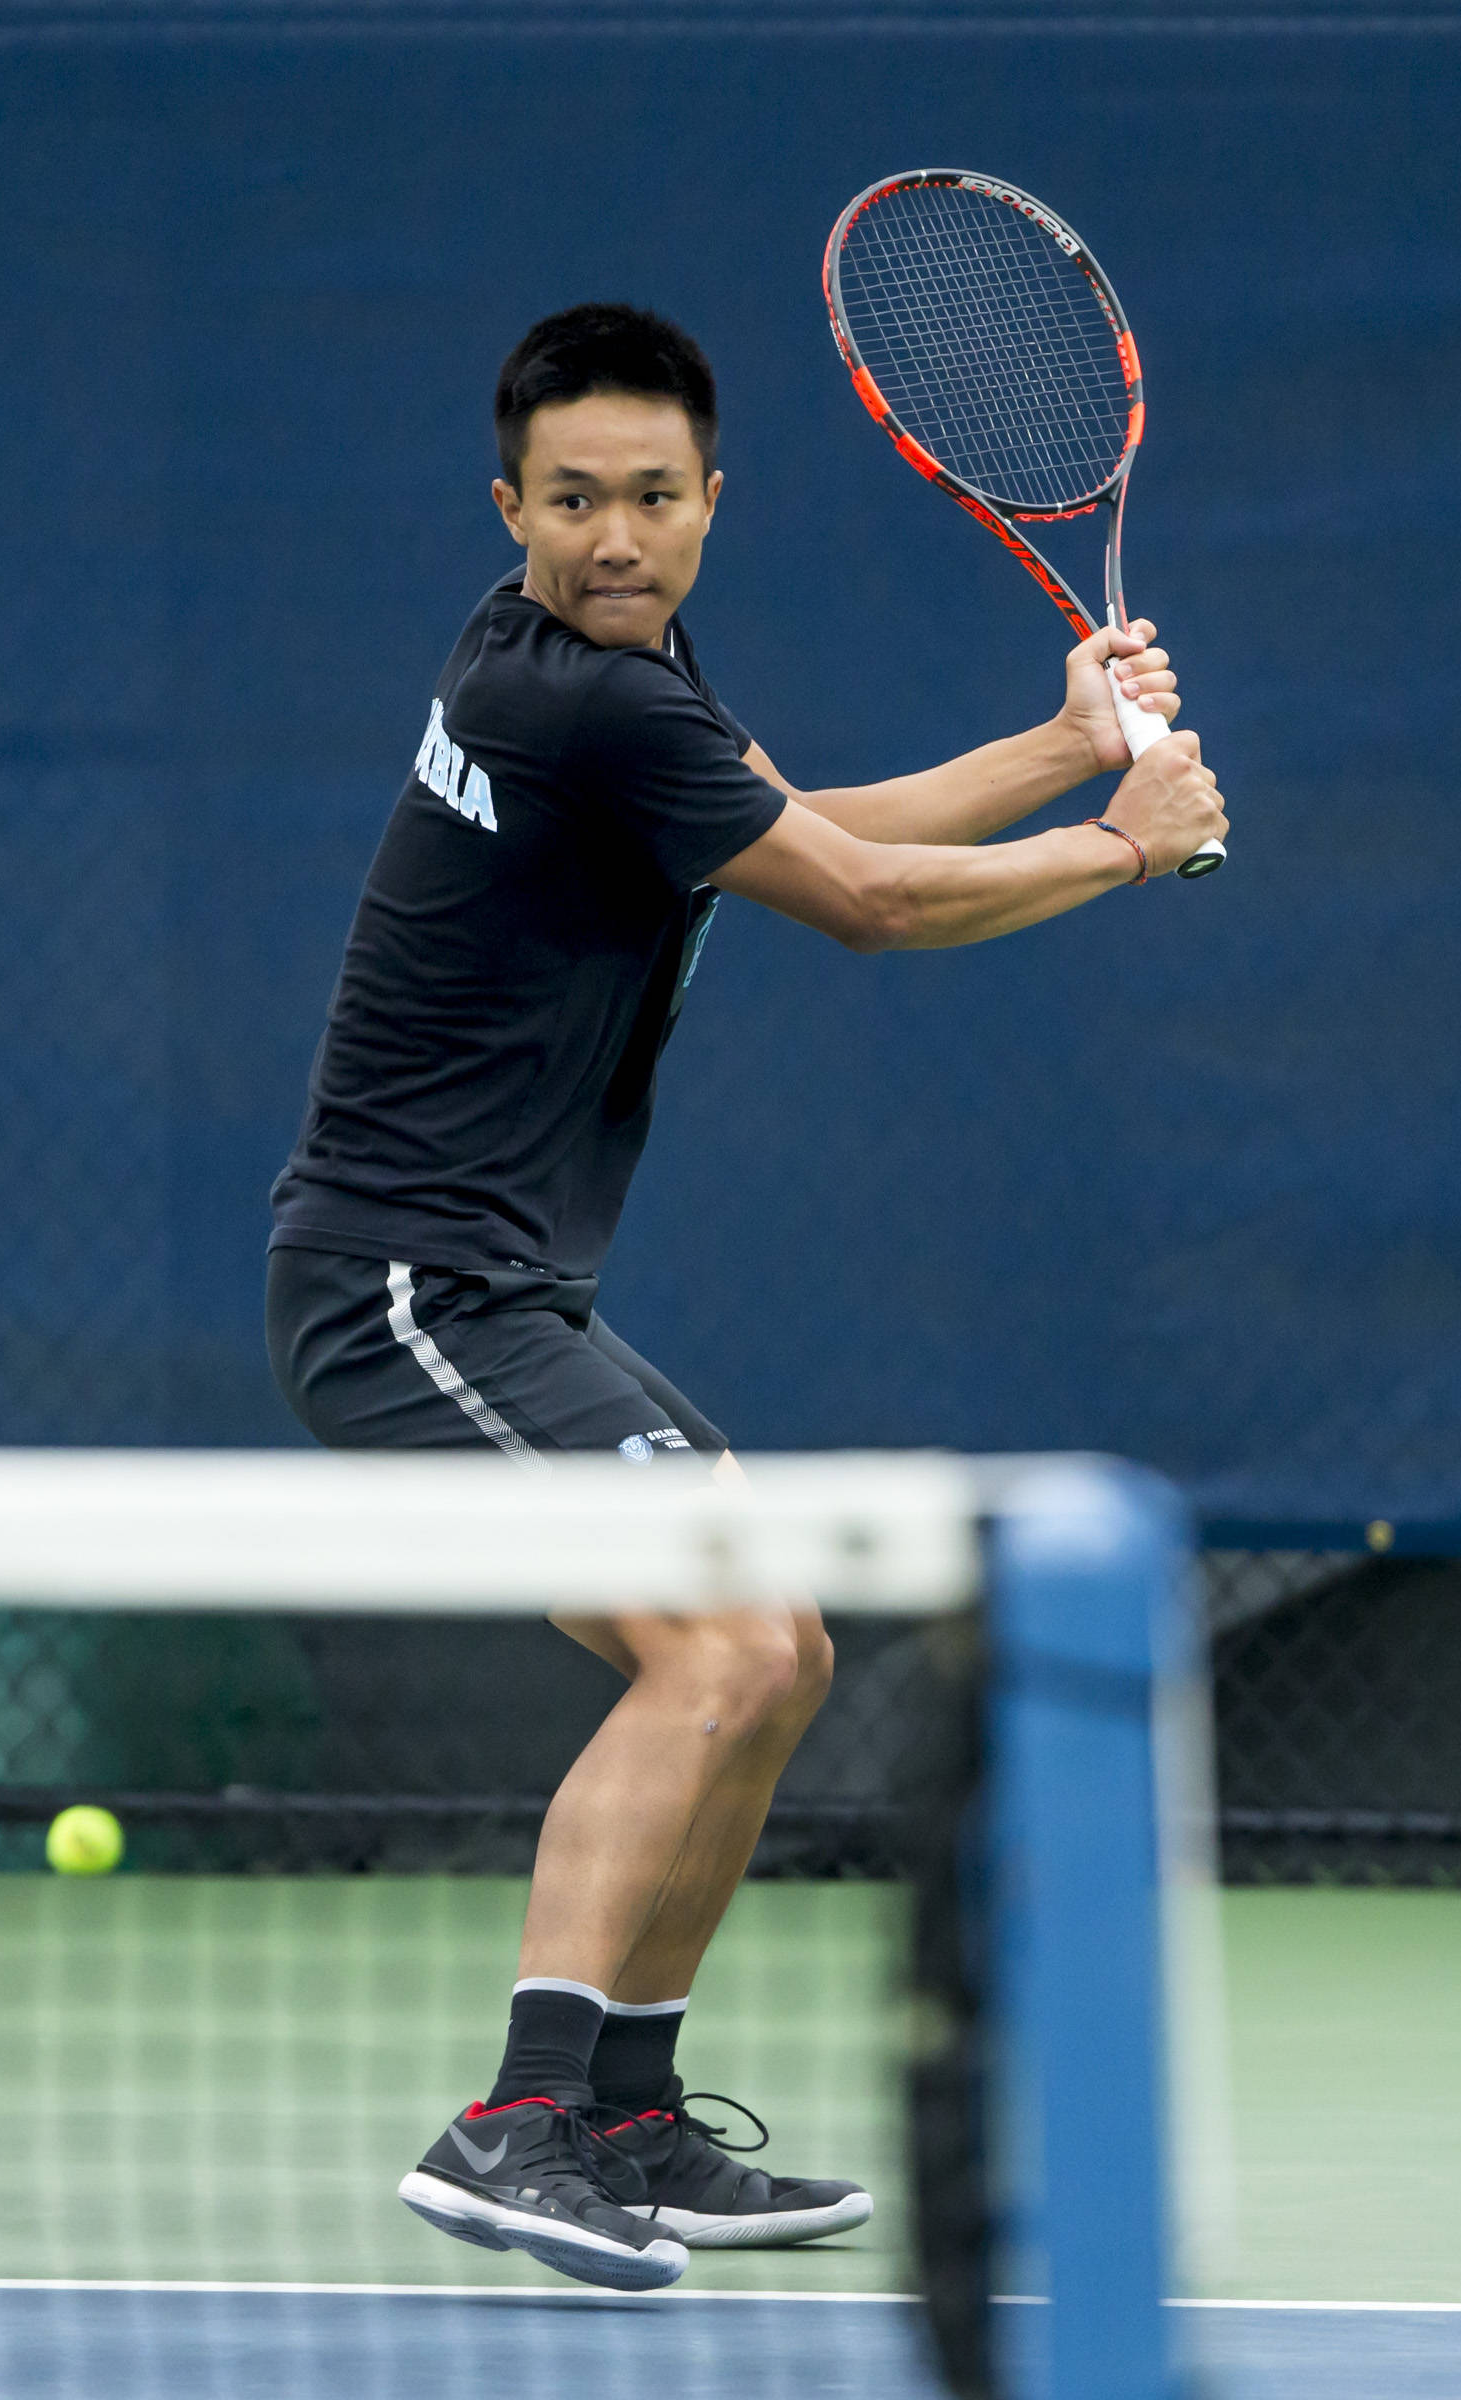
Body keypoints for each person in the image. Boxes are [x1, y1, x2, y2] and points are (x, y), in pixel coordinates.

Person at [263, 302, 1228, 2291]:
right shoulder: (581, 701)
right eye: (570, 503)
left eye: (650, 498)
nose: (614, 538)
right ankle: (517, 2121)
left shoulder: (611, 672)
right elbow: (865, 909)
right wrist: (1121, 847)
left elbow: (809, 837)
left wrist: (1062, 745)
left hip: (504, 1282)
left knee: (771, 1649)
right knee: (711, 1648)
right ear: (508, 505)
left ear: (714, 501)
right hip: (408, 1291)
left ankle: (626, 2111)